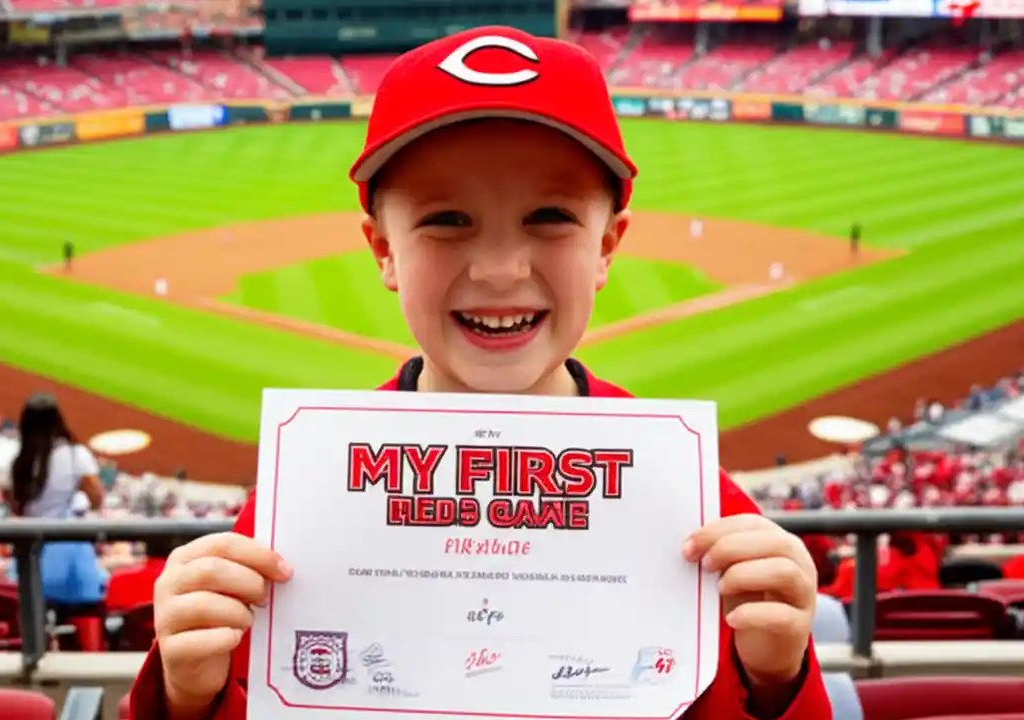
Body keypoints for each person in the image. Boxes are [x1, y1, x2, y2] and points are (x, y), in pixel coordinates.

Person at [130, 26, 827, 720]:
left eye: (550, 216)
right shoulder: (299, 499)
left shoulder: (695, 496)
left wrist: (774, 683)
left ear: (608, 245)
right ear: (383, 250)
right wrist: (189, 696)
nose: (500, 269)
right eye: (448, 219)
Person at [8, 392, 108, 613]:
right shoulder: (75, 455)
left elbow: (15, 506)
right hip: (67, 550)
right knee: (84, 611)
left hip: (29, 549)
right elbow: (97, 498)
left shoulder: (19, 460)